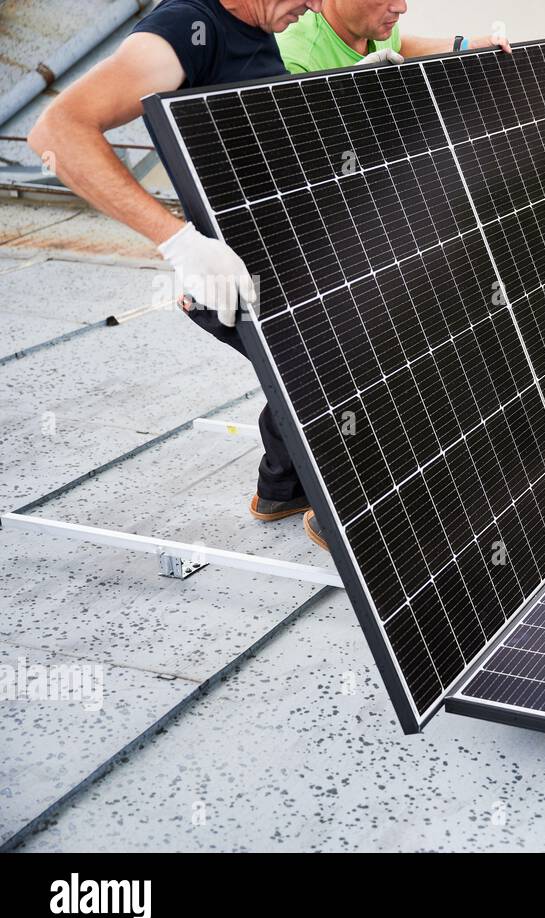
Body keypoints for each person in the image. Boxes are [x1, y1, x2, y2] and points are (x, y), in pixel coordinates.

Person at [27, 0, 409, 550]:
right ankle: (357, 518)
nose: (311, 8)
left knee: (333, 351)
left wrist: (347, 91)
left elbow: (256, 151)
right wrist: (178, 241)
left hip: (288, 261)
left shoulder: (259, 30)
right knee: (358, 355)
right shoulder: (186, 29)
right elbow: (57, 131)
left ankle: (281, 489)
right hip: (227, 278)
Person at [277, 0, 511, 74]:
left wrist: (469, 46)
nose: (402, 7)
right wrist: (345, 90)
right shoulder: (294, 62)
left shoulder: (374, 26)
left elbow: (399, 48)